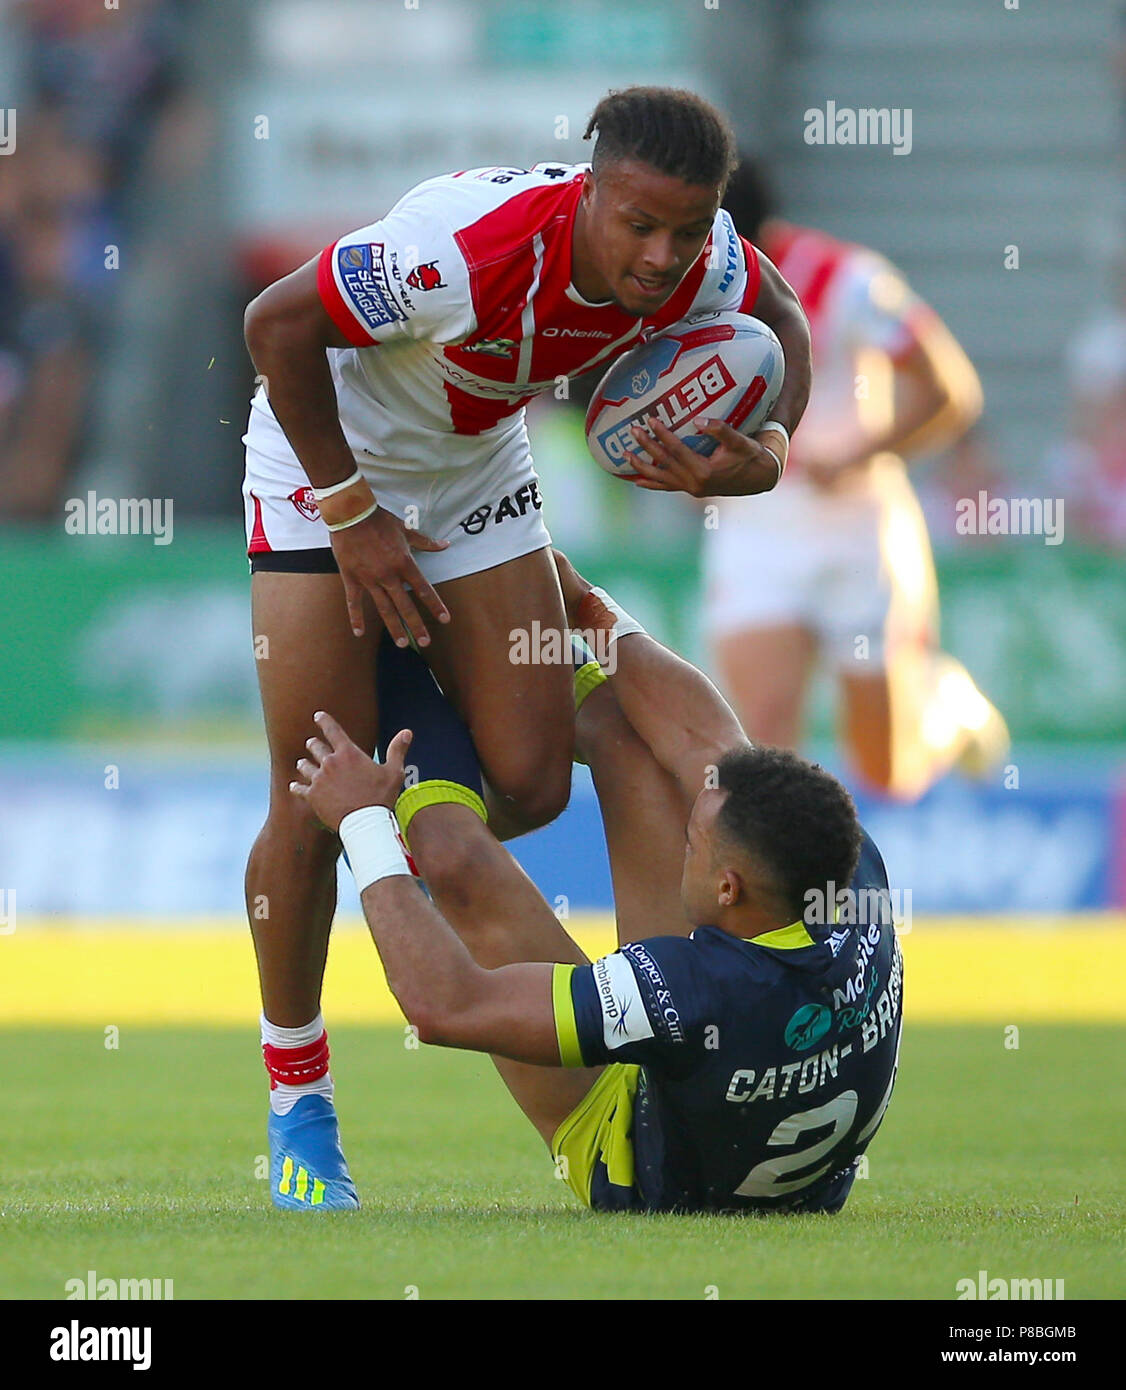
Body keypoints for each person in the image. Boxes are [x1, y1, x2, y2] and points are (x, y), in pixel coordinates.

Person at [242, 88, 812, 1205]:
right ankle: (298, 1101)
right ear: (586, 190)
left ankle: (409, 719)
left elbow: (784, 319)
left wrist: (774, 442)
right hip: (327, 463)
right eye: (636, 223)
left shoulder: (702, 259)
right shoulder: (458, 254)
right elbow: (275, 326)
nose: (661, 256)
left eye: (686, 229)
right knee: (309, 794)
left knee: (530, 780)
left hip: (475, 466)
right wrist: (355, 518)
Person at [282, 559, 902, 1215]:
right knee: (635, 739)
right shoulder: (848, 870)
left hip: (641, 1161)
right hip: (742, 1105)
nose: (680, 842)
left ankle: (391, 649)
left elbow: (447, 1007)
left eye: (692, 844)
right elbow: (705, 741)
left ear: (728, 888)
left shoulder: (693, 989)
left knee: (454, 858)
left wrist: (362, 821)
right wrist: (582, 603)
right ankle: (462, 613)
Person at [703, 157, 1008, 799]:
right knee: (765, 745)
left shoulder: (844, 278)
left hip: (857, 530)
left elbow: (951, 391)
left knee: (889, 770)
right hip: (758, 528)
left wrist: (857, 456)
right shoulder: (685, 292)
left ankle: (949, 705)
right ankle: (791, 898)